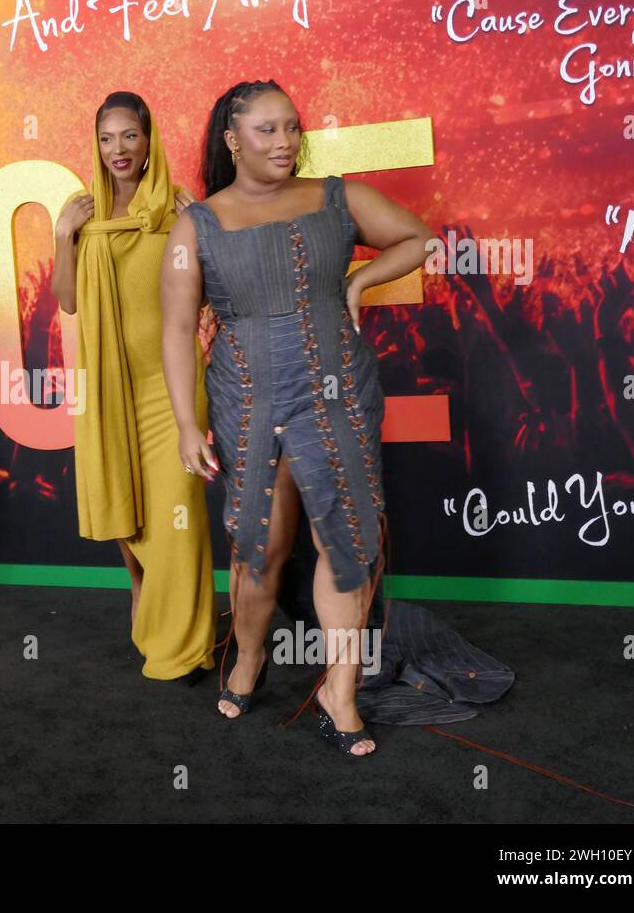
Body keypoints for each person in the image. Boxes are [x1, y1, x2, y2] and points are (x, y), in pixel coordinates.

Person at [161, 81, 434, 755]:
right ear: (232, 139)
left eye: (291, 128)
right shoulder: (197, 223)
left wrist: (359, 282)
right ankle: (249, 656)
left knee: (345, 541)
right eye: (266, 131)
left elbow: (420, 239)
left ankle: (340, 693)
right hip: (247, 393)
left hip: (336, 388)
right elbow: (173, 330)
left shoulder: (336, 197)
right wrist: (187, 425)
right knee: (261, 545)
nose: (284, 143)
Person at [53, 92, 217, 681]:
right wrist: (63, 235)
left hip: (172, 387)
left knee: (180, 517)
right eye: (106, 138)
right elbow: (68, 300)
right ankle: (144, 600)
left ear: (149, 141)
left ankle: (187, 645)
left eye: (129, 136)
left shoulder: (180, 211)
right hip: (109, 388)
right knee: (131, 512)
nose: (118, 149)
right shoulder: (83, 212)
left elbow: (208, 293)